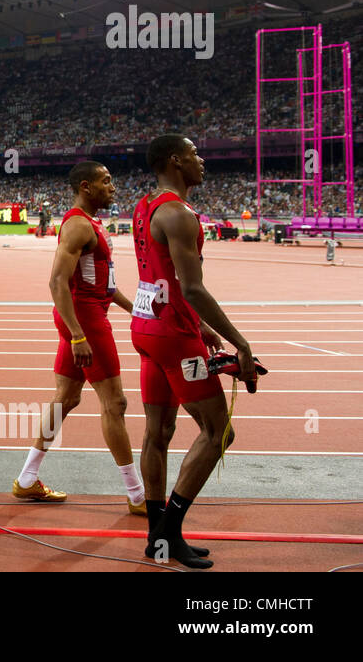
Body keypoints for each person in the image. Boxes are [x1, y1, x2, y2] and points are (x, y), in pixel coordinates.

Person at [132, 134, 257, 569]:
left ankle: (156, 535)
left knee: (157, 433)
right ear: (175, 161)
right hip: (171, 336)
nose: (202, 160)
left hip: (146, 329)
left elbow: (160, 277)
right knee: (218, 431)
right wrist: (240, 342)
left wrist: (200, 326)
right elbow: (192, 287)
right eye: (194, 154)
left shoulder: (143, 206)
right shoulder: (179, 215)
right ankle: (170, 530)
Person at [12, 162, 144, 515]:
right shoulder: (77, 225)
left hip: (84, 317)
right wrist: (76, 335)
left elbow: (103, 284)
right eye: (106, 181)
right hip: (83, 320)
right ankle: (138, 495)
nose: (112, 187)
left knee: (67, 398)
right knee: (114, 403)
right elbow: (57, 282)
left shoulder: (93, 224)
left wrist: (135, 309)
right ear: (86, 186)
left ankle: (26, 479)